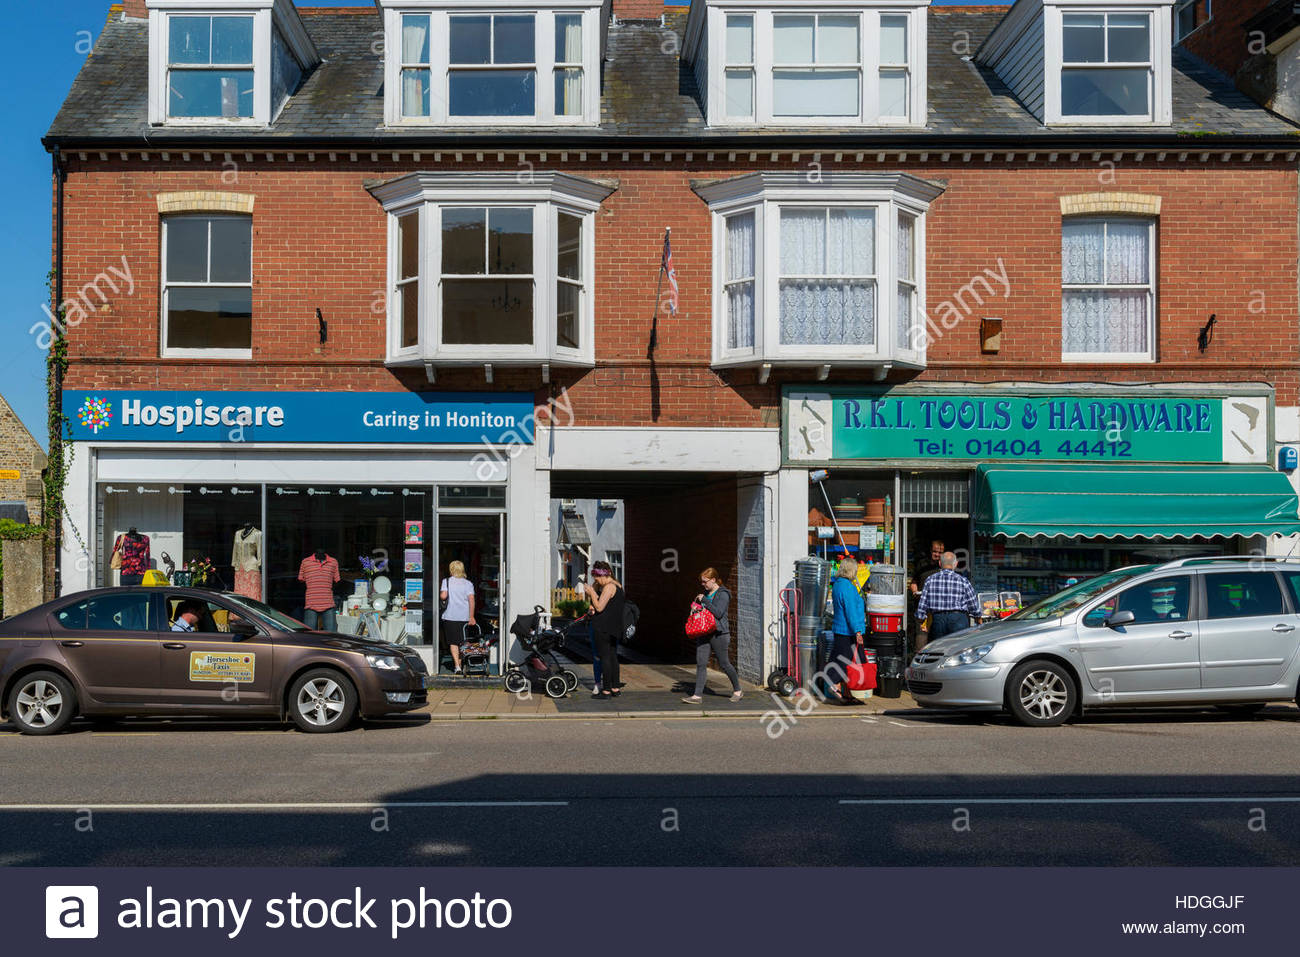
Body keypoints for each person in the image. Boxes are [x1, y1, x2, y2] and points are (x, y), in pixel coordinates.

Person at [682, 567, 743, 704]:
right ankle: (697, 696)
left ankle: (738, 690)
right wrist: (696, 607)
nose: (703, 584)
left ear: (713, 580)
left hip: (719, 633)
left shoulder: (723, 594)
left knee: (724, 663)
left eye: (705, 582)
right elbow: (705, 611)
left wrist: (705, 601)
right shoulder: (706, 593)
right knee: (701, 663)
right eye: (702, 582)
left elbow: (719, 613)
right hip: (704, 632)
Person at [916, 551, 981, 643]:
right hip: (959, 620)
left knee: (938, 650)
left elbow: (922, 606)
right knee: (958, 651)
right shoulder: (963, 581)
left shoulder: (930, 580)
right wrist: (979, 620)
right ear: (956, 564)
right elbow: (973, 605)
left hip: (938, 620)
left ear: (939, 563)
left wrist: (922, 621)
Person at [584, 560, 626, 700]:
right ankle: (615, 688)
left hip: (603, 628)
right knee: (613, 657)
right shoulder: (618, 585)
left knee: (605, 658)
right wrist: (595, 590)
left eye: (596, 578)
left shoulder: (608, 587)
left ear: (602, 575)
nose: (596, 581)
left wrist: (591, 593)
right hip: (614, 627)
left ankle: (606, 690)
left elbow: (600, 607)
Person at [827, 557, 866, 705]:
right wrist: (857, 631)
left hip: (840, 629)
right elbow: (851, 612)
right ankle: (834, 684)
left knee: (845, 661)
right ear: (851, 570)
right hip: (848, 631)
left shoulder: (838, 585)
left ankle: (847, 693)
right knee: (847, 662)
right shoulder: (848, 588)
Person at [439, 560, 477, 674]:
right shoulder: (468, 584)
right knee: (462, 642)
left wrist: (442, 594)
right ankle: (461, 662)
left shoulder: (446, 581)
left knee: (453, 642)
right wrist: (472, 616)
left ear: (451, 570)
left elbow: (443, 596)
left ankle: (457, 666)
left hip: (450, 616)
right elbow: (472, 600)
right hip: (464, 617)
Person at [298, 548, 340, 631]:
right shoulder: (305, 562)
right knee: (309, 637)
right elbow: (301, 579)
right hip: (311, 604)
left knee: (331, 636)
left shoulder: (333, 562)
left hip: (328, 603)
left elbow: (337, 580)